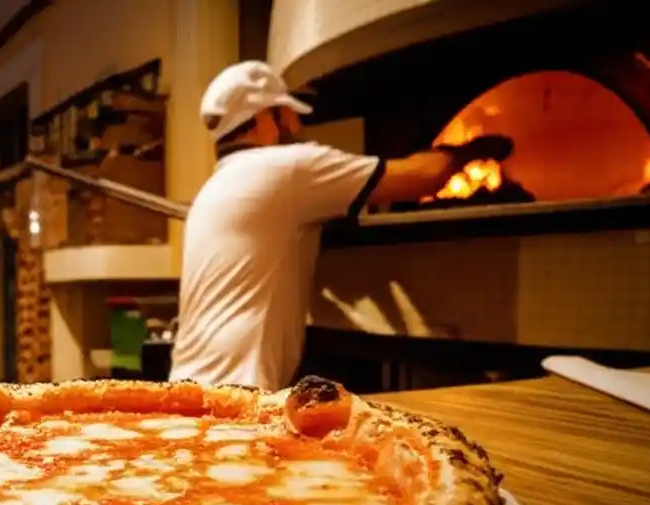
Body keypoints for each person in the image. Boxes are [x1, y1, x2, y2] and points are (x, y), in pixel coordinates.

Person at [169, 61, 512, 390]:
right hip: (236, 395)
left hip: (186, 385)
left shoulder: (213, 188)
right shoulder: (286, 168)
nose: (296, 128)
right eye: (287, 116)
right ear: (262, 117)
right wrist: (475, 149)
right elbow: (423, 177)